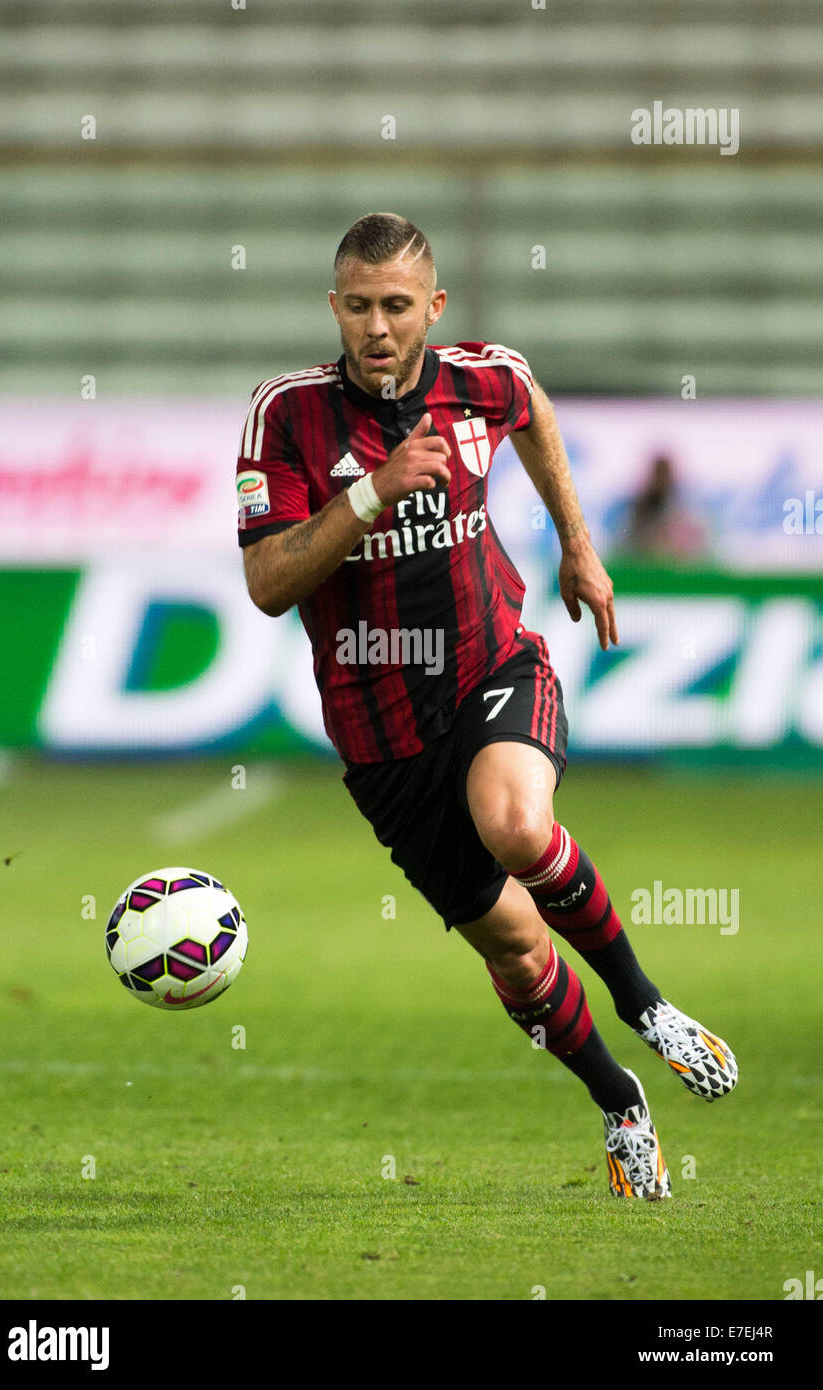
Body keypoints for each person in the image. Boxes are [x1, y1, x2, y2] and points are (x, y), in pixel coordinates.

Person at [237, 213, 737, 1200]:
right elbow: (267, 580)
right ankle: (617, 1098)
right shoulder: (286, 415)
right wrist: (373, 494)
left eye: (396, 306)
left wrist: (578, 546)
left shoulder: (483, 377)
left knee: (515, 824)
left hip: (489, 662)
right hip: (380, 733)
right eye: (358, 306)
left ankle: (645, 1003)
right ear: (332, 307)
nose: (377, 327)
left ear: (434, 307)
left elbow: (535, 413)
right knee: (514, 948)